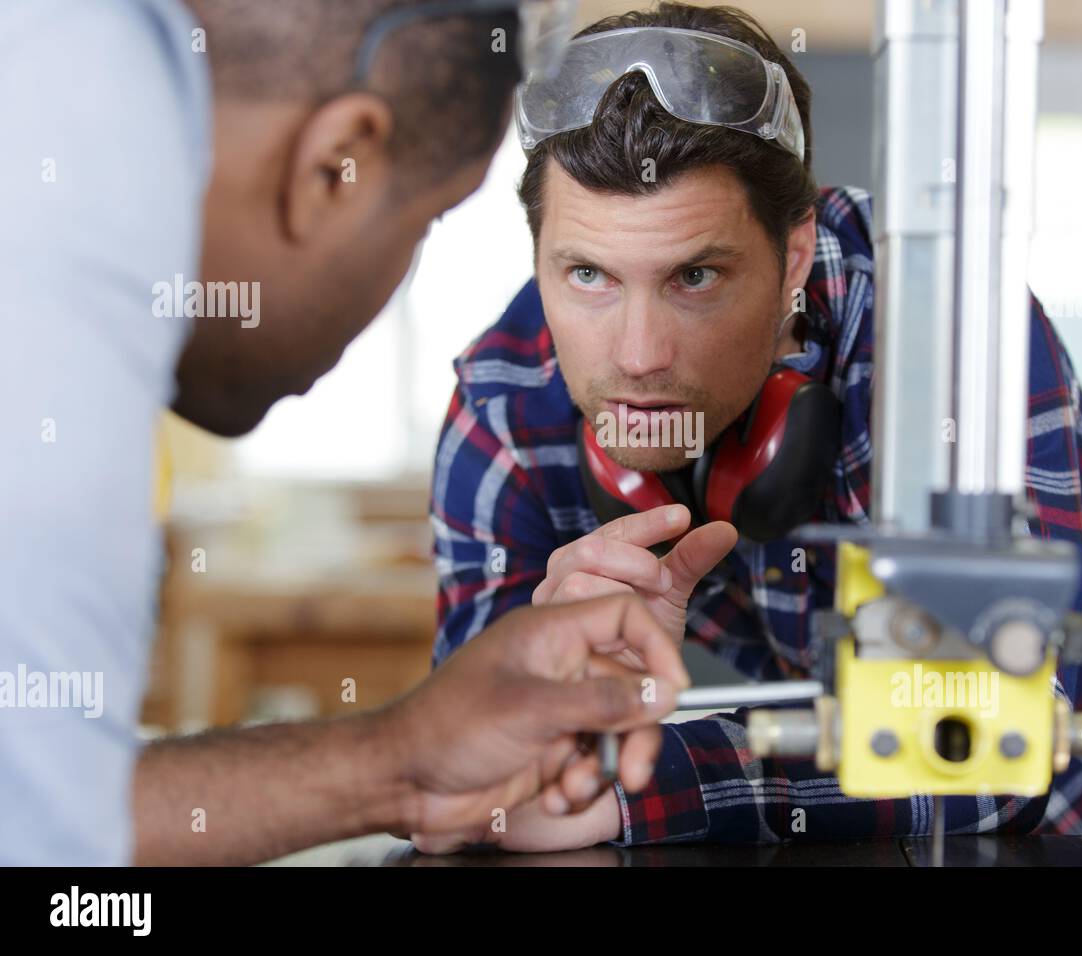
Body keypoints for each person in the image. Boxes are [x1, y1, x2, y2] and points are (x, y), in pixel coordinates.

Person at [427, 2, 1082, 851]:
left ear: (792, 258)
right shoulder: (503, 410)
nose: (637, 356)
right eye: (588, 273)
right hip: (872, 735)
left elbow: (1015, 743)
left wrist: (650, 785)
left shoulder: (948, 332)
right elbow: (468, 780)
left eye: (697, 275)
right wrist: (546, 697)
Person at [0, 0, 687, 866]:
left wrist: (398, 762)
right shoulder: (68, 256)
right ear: (337, 164)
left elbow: (38, 802)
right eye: (425, 219)